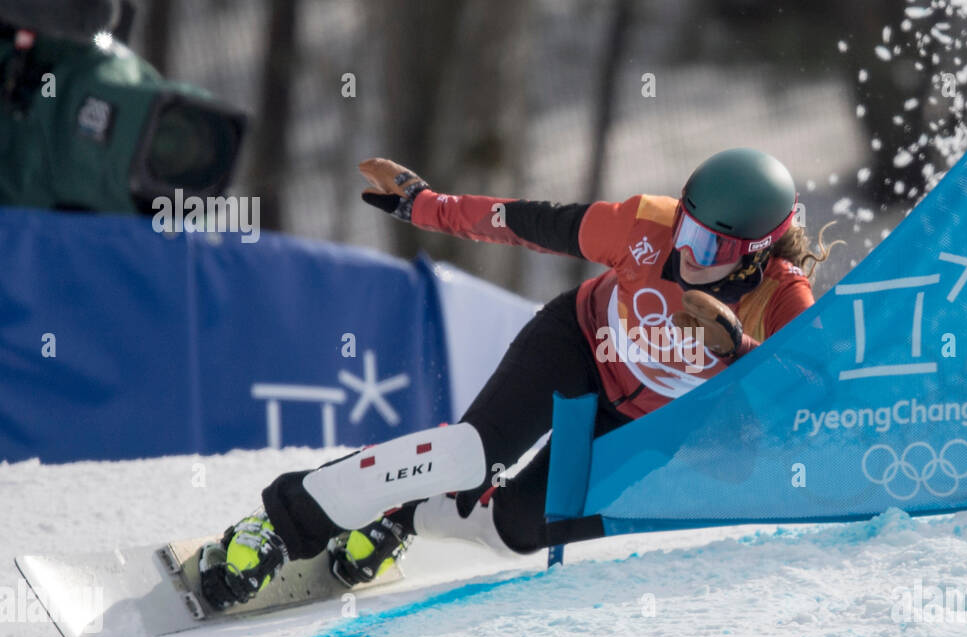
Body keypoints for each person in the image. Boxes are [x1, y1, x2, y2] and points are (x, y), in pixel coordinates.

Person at [198, 147, 840, 609]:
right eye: (689, 231)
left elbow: (811, 395)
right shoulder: (648, 225)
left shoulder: (785, 298)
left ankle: (401, 519)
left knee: (519, 531)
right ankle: (281, 523)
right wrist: (427, 205)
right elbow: (532, 221)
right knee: (471, 453)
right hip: (579, 345)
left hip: (645, 423)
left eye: (712, 249)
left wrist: (738, 347)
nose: (687, 255)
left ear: (757, 254)